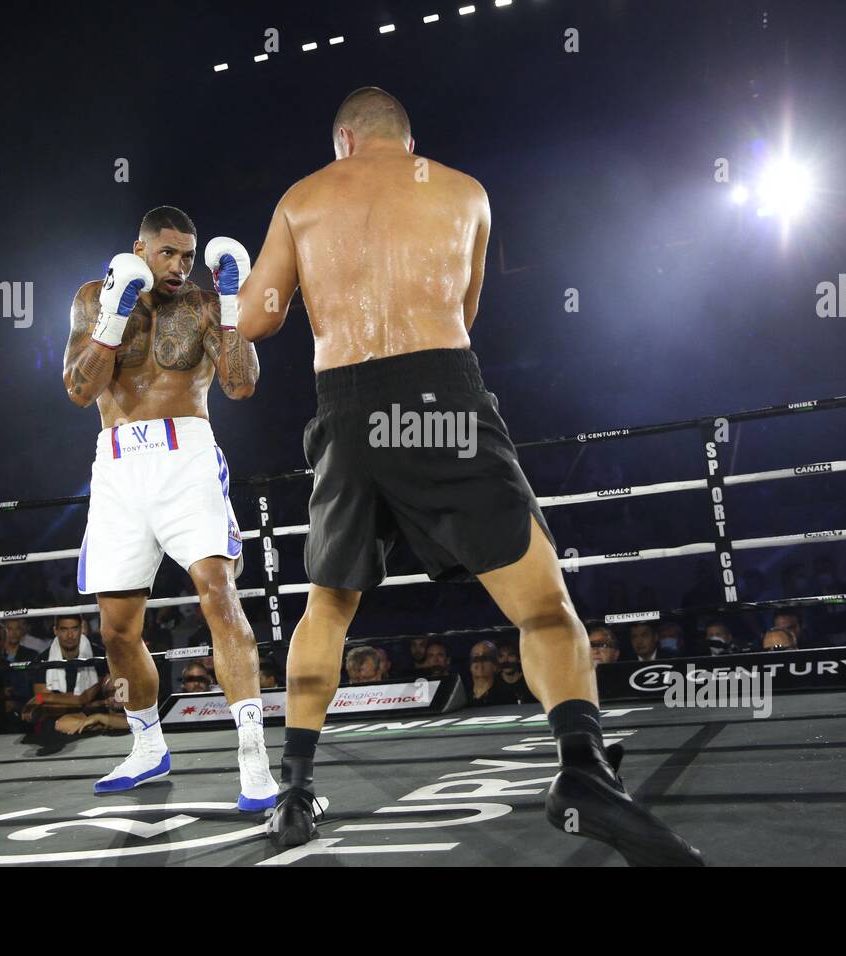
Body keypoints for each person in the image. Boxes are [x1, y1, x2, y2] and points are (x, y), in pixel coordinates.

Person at [236, 87, 701, 864]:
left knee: (328, 603)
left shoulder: (303, 198)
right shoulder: (464, 192)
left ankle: (292, 790)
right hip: (440, 395)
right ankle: (582, 770)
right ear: (404, 139)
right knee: (545, 607)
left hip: (345, 406)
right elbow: (464, 310)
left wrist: (236, 292)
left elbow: (256, 320)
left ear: (344, 139)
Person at [62, 205, 277, 809]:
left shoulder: (206, 304)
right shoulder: (91, 297)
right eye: (168, 254)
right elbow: (79, 392)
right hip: (119, 467)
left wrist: (232, 308)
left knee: (218, 593)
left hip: (187, 460)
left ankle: (253, 755)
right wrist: (111, 318)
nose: (181, 266)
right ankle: (148, 744)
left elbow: (240, 385)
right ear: (139, 248)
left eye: (189, 254)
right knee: (116, 629)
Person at [466, 640, 514, 706]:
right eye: (475, 659)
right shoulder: (461, 695)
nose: (480, 663)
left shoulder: (506, 695)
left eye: (485, 658)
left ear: (495, 666)